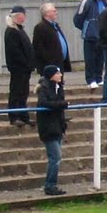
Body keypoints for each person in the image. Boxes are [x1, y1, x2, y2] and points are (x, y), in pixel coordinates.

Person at [35, 63, 68, 195]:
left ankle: (51, 184)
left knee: (55, 157)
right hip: (48, 127)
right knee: (55, 157)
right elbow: (44, 103)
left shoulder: (59, 87)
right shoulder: (44, 88)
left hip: (57, 126)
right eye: (58, 73)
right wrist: (62, 104)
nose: (60, 75)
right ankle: (50, 185)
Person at [3, 5, 35, 127]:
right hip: (18, 68)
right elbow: (14, 52)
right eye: (23, 15)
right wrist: (26, 63)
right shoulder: (11, 31)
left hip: (25, 69)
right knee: (16, 92)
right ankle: (14, 116)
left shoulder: (19, 29)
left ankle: (23, 115)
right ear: (18, 15)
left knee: (23, 93)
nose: (25, 17)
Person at [73, 0, 107, 87]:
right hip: (90, 36)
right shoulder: (87, 1)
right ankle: (90, 79)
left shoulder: (104, 2)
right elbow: (77, 19)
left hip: (101, 36)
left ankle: (98, 78)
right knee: (90, 58)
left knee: (100, 58)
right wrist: (87, 29)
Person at [33, 2, 72, 74]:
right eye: (54, 11)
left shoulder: (55, 25)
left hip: (59, 63)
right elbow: (38, 47)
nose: (56, 13)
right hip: (50, 66)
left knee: (59, 84)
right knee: (51, 85)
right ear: (47, 13)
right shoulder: (41, 27)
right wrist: (49, 60)